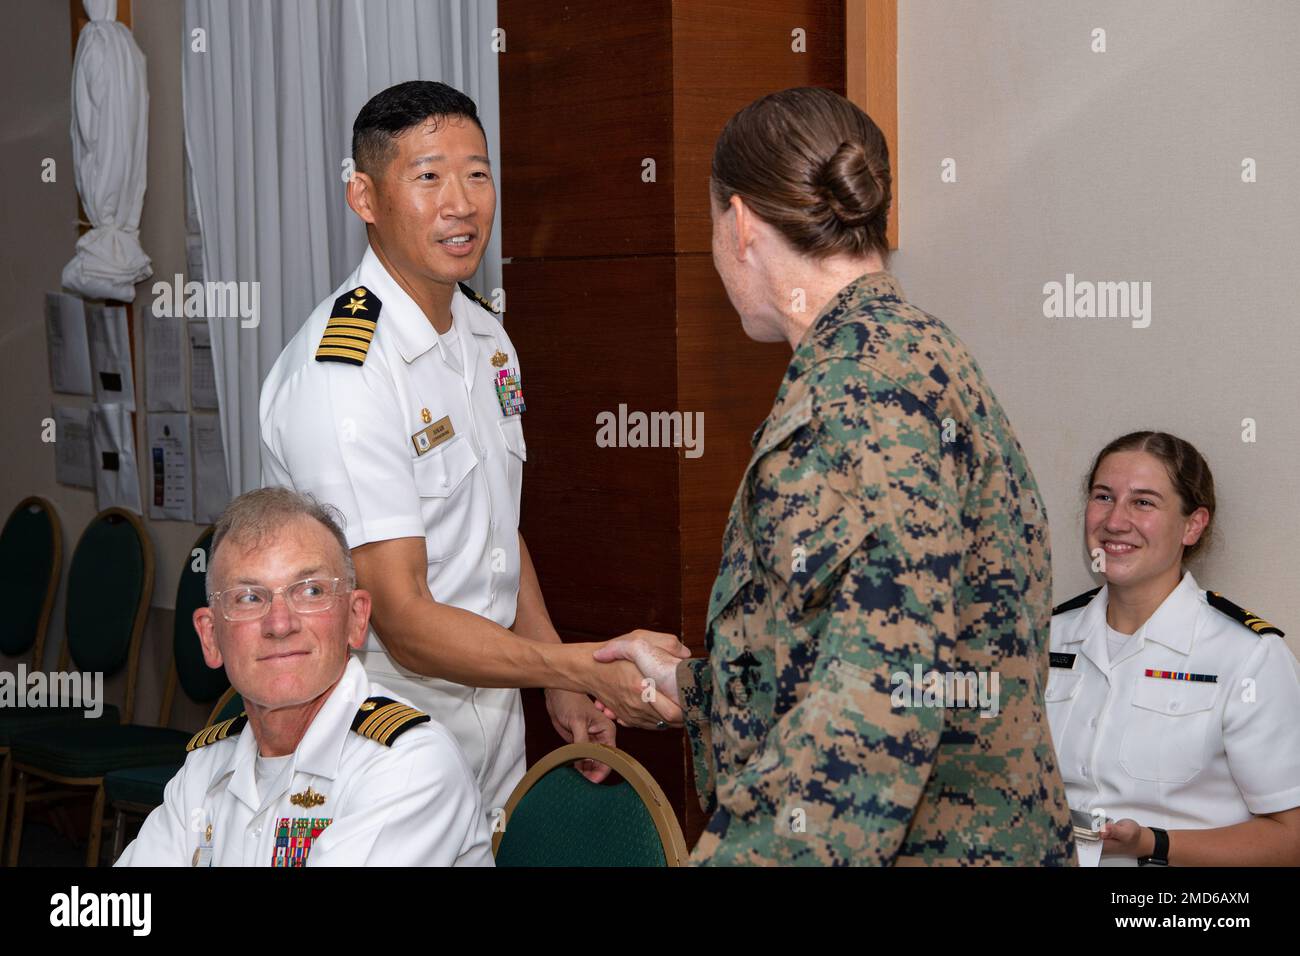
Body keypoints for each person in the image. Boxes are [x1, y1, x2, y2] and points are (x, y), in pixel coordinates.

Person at [597, 87, 1074, 865]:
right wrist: (690, 687)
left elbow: (878, 706)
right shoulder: (914, 350)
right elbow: (849, 641)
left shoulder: (856, 394)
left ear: (740, 224)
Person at [259, 81, 686, 819]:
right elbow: (403, 621)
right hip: (374, 745)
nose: (460, 204)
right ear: (364, 197)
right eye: (428, 177)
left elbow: (493, 525)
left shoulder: (486, 337)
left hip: (489, 729)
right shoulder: (345, 374)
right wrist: (579, 666)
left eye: (477, 174)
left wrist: (554, 679)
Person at [116, 488, 492, 866]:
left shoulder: (408, 766)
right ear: (211, 637)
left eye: (311, 591)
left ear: (356, 618)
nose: (280, 624)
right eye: (249, 597)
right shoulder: (206, 766)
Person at [1047, 431, 1300, 866]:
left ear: (1192, 525)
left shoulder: (1248, 656)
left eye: (1143, 502)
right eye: (1104, 497)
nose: (1115, 521)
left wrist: (1152, 844)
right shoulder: (1046, 637)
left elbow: (1291, 838)